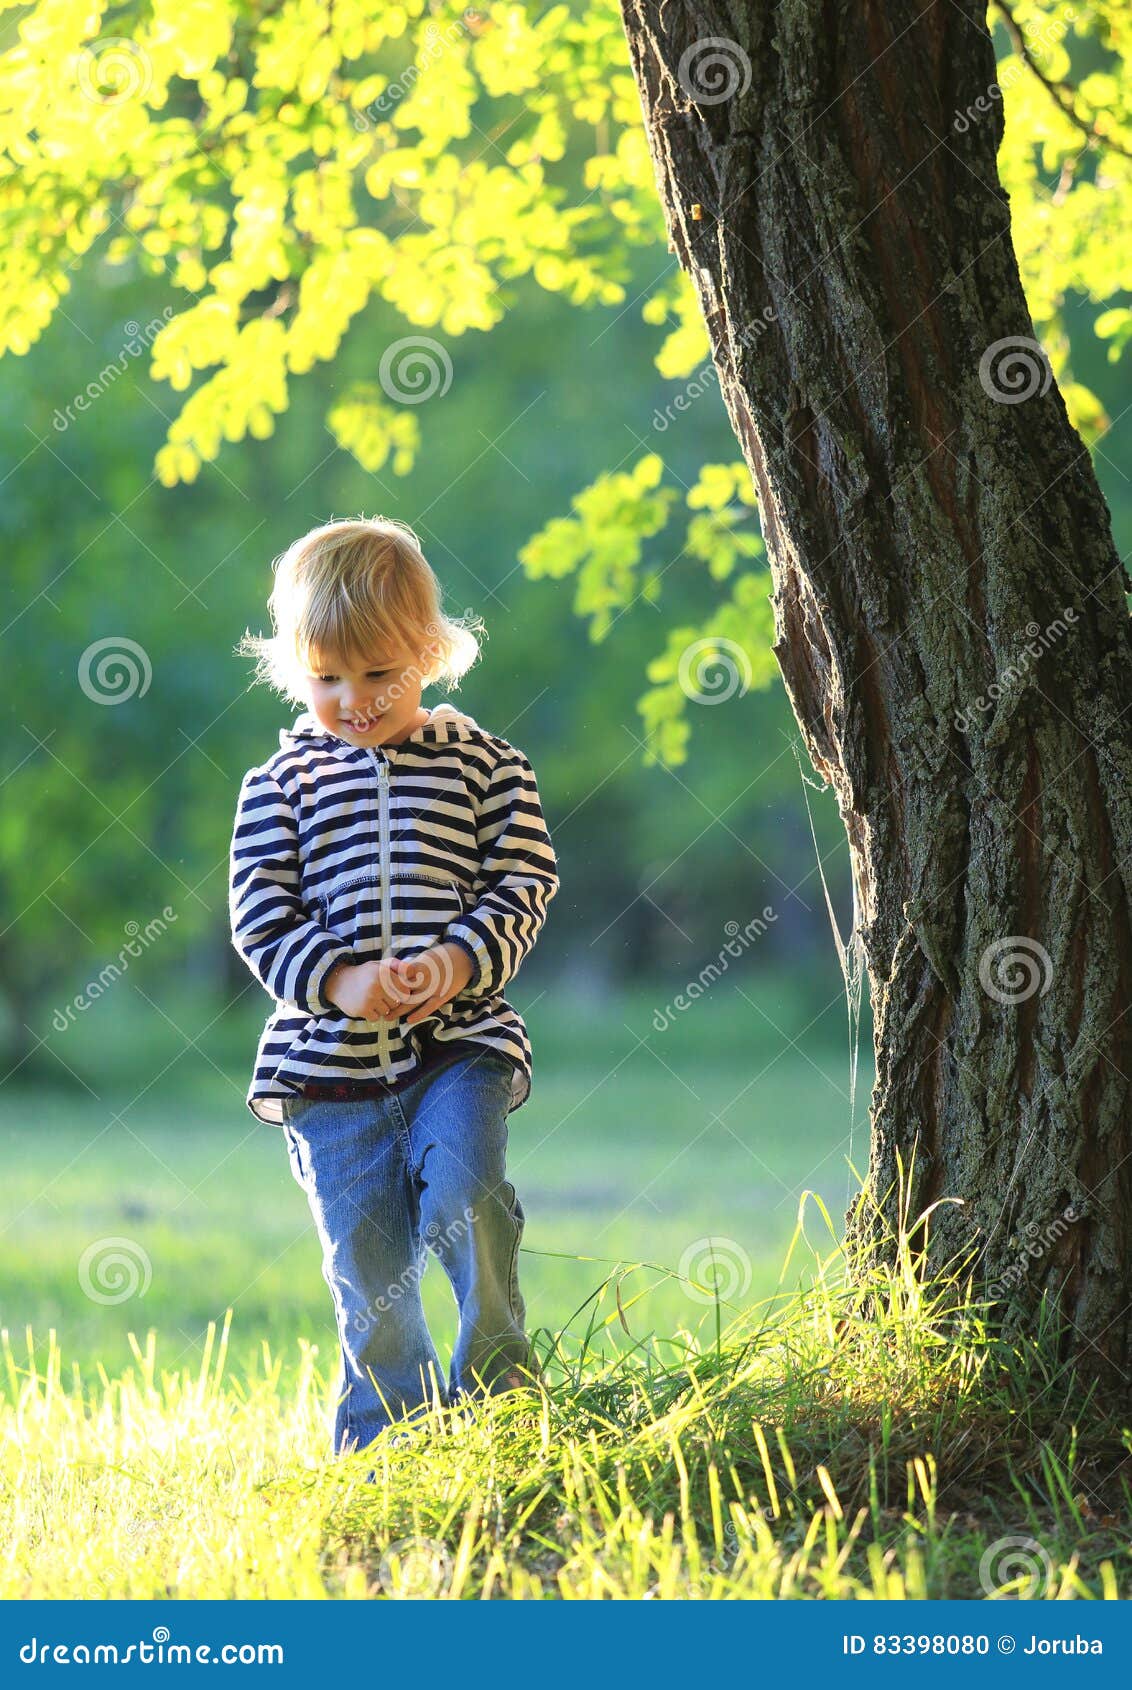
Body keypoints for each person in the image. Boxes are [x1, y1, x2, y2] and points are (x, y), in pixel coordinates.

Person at [228, 515, 560, 1455]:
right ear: (294, 670)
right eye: (326, 678)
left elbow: (523, 883)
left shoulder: (487, 767)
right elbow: (260, 915)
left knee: (468, 1201)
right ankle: (390, 1449)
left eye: (379, 673)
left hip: (458, 1050)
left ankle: (502, 1407)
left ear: (429, 652)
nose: (355, 699)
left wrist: (454, 962)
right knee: (368, 1277)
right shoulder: (279, 785)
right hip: (327, 1071)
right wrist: (340, 980)